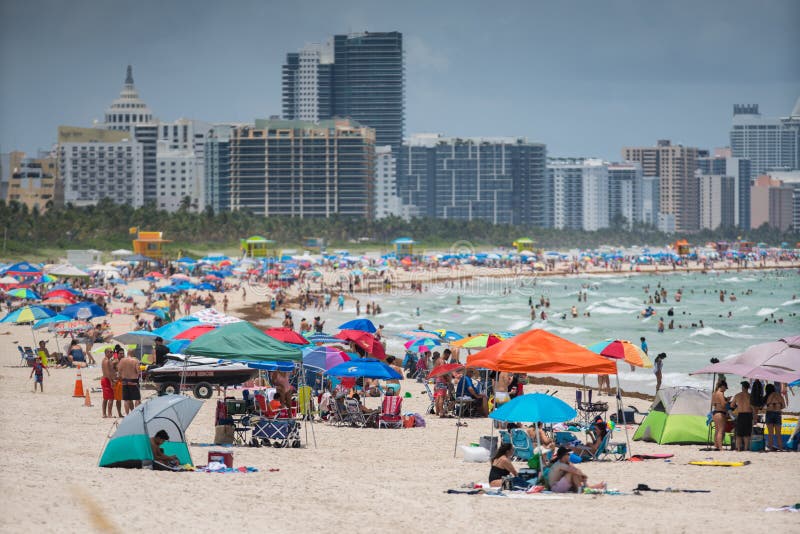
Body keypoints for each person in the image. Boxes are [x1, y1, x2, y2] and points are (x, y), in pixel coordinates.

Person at [730, 381, 753, 452]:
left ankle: (738, 448)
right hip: (748, 415)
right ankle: (746, 448)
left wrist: (738, 406)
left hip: (740, 414)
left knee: (739, 433)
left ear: (742, 387)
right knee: (747, 433)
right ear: (748, 387)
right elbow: (753, 406)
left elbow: (732, 405)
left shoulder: (737, 395)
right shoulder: (750, 396)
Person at [118, 349, 141, 414]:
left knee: (126, 400)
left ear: (127, 353)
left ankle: (127, 414)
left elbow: (119, 371)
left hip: (124, 381)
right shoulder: (135, 360)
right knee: (137, 399)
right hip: (133, 381)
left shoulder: (122, 360)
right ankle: (136, 414)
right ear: (133, 353)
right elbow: (138, 371)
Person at [764, 384, 786, 451]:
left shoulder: (768, 396)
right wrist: (778, 406)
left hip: (769, 413)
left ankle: (770, 447)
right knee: (778, 433)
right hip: (777, 413)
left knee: (770, 433)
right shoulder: (779, 396)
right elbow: (784, 406)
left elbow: (765, 406)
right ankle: (780, 447)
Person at [711, 380, 729, 451]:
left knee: (717, 430)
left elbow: (713, 404)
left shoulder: (714, 393)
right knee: (721, 431)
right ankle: (721, 447)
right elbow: (723, 404)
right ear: (722, 386)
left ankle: (716, 445)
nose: (725, 390)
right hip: (720, 413)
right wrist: (727, 400)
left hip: (715, 413)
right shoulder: (720, 393)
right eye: (725, 388)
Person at [100, 348, 116, 418]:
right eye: (110, 352)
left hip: (104, 379)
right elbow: (107, 373)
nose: (112, 353)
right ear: (106, 353)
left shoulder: (104, 360)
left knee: (105, 398)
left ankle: (104, 414)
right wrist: (111, 381)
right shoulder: (107, 361)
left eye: (112, 352)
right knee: (111, 398)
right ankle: (109, 414)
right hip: (107, 380)